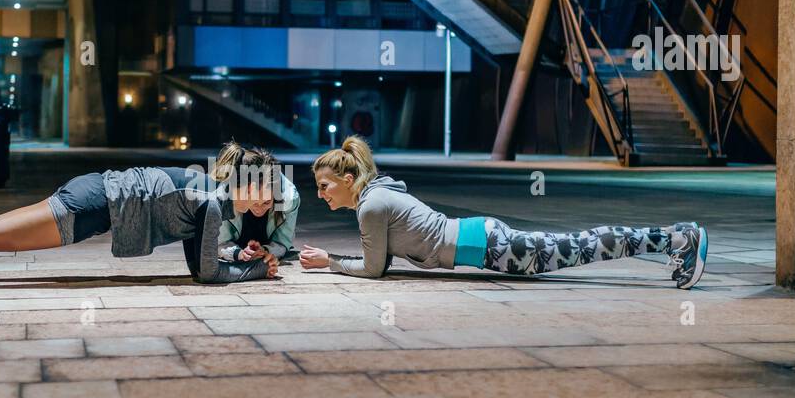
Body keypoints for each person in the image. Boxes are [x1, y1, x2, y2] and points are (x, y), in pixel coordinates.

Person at [0, 145, 293, 294]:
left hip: (94, 198)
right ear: (249, 185)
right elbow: (207, 275)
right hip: (92, 206)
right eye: (267, 192)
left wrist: (236, 252)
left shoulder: (210, 193)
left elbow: (201, 261)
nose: (268, 204)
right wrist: (257, 268)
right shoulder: (212, 202)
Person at [298, 136, 708, 289]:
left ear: (348, 179)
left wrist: (329, 262)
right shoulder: (373, 197)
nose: (321, 195)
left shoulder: (371, 205)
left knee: (581, 246)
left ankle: (679, 237)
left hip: (489, 246)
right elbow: (383, 259)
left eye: (325, 185)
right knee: (579, 245)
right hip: (484, 239)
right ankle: (674, 236)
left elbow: (373, 271)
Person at [211, 141, 300, 270]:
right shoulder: (225, 196)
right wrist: (238, 254)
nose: (259, 209)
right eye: (253, 202)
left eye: (266, 202)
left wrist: (265, 252)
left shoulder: (289, 197)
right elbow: (219, 242)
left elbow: (283, 241)